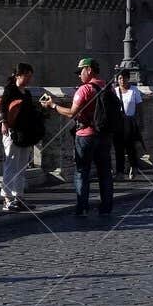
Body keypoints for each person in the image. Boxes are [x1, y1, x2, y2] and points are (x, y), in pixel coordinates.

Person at [42, 57, 114, 219]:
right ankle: (106, 207)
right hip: (104, 135)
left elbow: (71, 113)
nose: (79, 75)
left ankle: (82, 208)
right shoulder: (108, 87)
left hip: (86, 135)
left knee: (82, 172)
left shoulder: (84, 89)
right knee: (105, 173)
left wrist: (53, 105)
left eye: (80, 71)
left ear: (89, 70)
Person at [0, 62, 45, 212]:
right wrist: (4, 122)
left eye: (31, 76)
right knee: (11, 164)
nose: (29, 79)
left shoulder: (27, 93)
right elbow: (2, 106)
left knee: (21, 166)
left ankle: (19, 197)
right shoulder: (10, 89)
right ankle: (7, 199)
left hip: (25, 134)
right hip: (12, 132)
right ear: (18, 75)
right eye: (27, 76)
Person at [114, 69, 144, 179]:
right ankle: (120, 172)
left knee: (130, 146)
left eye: (124, 78)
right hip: (118, 122)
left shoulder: (134, 90)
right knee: (118, 148)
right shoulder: (115, 91)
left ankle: (133, 166)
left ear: (128, 78)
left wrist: (141, 121)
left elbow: (139, 107)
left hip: (130, 122)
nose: (122, 80)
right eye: (120, 78)